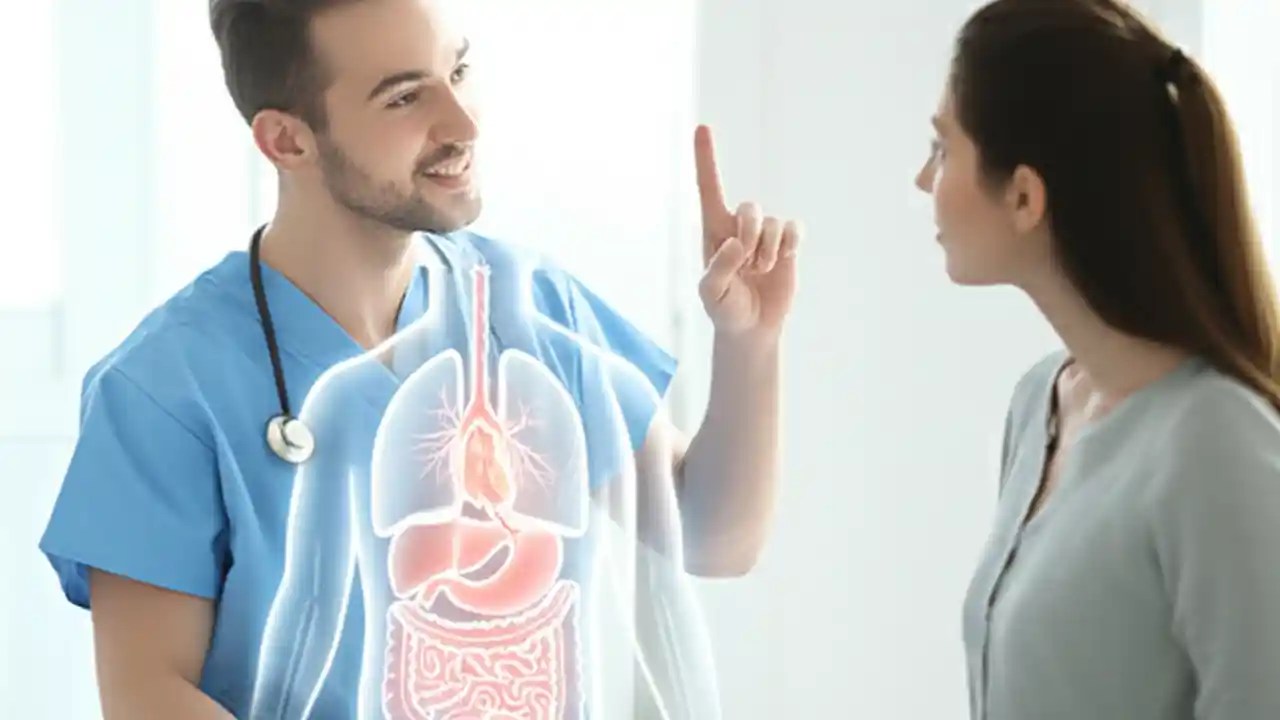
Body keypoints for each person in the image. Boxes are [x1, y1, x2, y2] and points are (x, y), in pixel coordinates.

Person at [36, 0, 802, 717]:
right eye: (405, 98)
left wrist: (749, 342)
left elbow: (716, 537)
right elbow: (148, 697)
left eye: (458, 71)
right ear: (287, 140)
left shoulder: (533, 309)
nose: (463, 123)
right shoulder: (165, 390)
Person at [915, 0, 1280, 718]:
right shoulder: (1039, 402)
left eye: (942, 148)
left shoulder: (1220, 446)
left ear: (1024, 195)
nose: (924, 180)